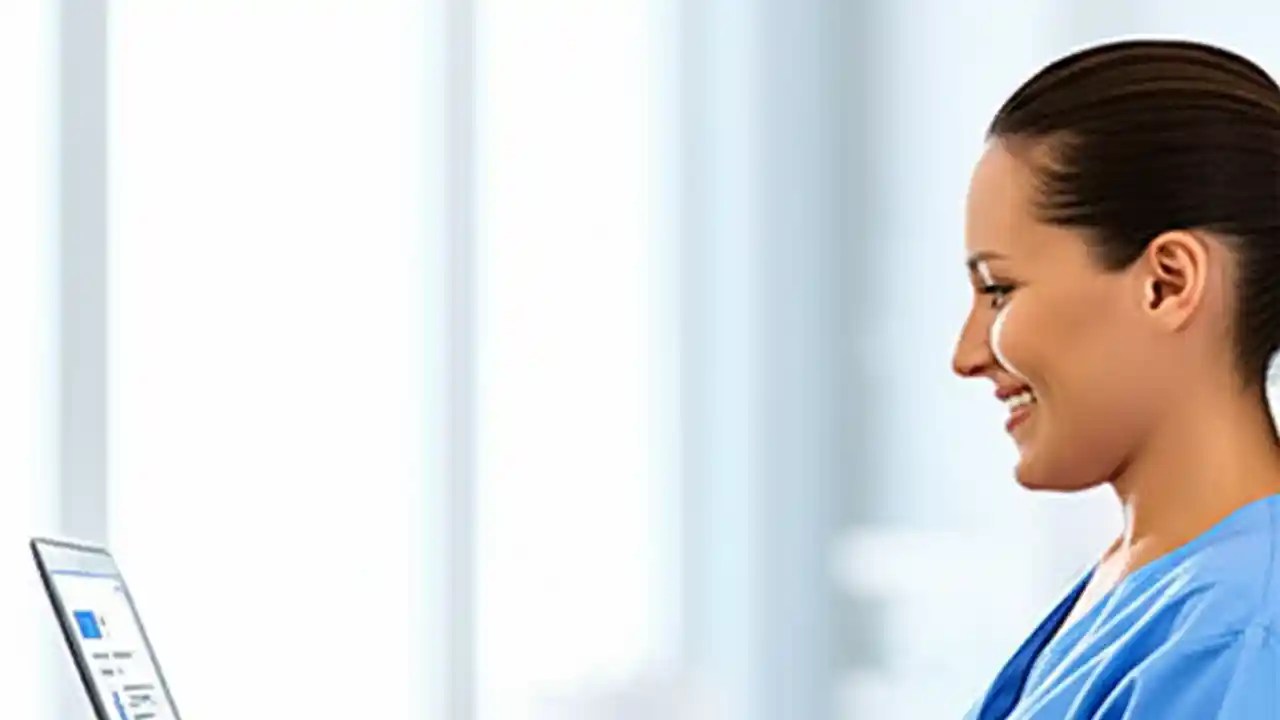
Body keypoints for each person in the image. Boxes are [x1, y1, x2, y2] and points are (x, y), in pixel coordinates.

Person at [955, 39, 1280, 719]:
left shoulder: (1238, 634)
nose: (967, 354)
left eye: (1000, 290)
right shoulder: (1141, 589)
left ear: (1167, 284)